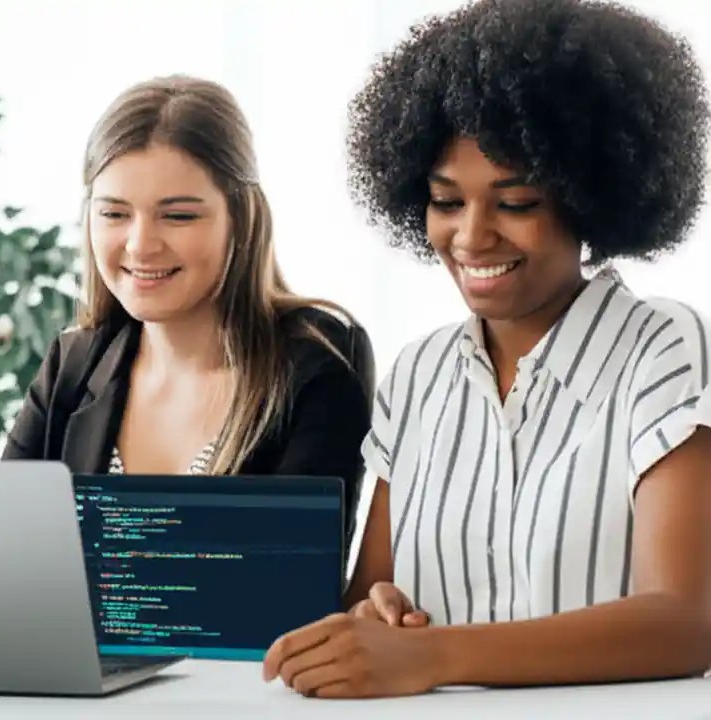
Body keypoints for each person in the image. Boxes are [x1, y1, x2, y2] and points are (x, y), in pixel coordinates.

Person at [262, 0, 711, 698]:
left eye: (516, 203)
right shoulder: (417, 374)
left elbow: (685, 623)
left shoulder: (662, 349)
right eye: (446, 202)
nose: (472, 237)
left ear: (589, 201)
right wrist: (376, 616)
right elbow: (368, 594)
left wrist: (434, 656)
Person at [2, 75, 376, 544]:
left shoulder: (317, 364)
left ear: (242, 219)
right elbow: (5, 548)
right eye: (114, 214)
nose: (140, 245)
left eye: (178, 215)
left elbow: (291, 573)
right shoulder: (72, 367)